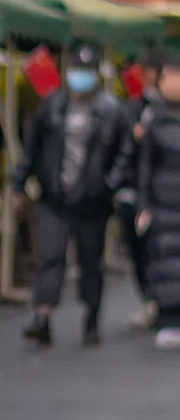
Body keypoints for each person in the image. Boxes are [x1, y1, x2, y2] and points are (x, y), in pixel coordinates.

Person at [13, 42, 127, 346]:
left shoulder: (111, 110)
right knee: (50, 255)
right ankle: (43, 315)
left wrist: (110, 183)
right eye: (77, 70)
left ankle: (91, 316)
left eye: (86, 71)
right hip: (54, 197)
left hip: (93, 201)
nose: (80, 77)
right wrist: (19, 183)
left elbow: (125, 152)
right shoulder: (51, 106)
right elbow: (31, 149)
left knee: (91, 260)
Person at [113, 47, 164, 328]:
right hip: (133, 191)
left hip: (164, 194)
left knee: (163, 249)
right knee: (138, 250)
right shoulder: (131, 110)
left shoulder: (170, 110)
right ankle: (150, 299)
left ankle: (164, 301)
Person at [136, 47, 180, 350]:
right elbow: (145, 166)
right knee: (164, 259)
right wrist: (144, 205)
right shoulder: (154, 118)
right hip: (162, 201)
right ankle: (168, 318)